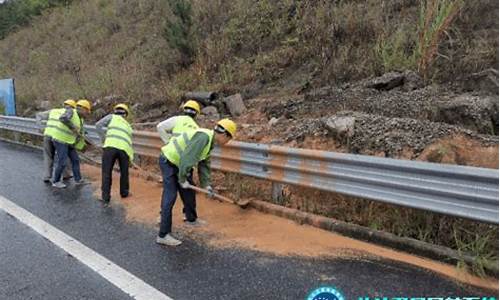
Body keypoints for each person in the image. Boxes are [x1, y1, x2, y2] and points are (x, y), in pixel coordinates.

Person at [156, 118, 237, 246]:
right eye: (229, 138)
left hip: (179, 164)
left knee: (188, 191)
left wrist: (207, 185)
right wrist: (182, 179)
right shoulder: (203, 138)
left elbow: (204, 165)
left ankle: (191, 219)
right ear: (224, 134)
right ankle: (163, 235)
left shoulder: (210, 142)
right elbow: (187, 159)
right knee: (170, 195)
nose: (228, 142)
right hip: (169, 161)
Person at [95, 103, 135, 205]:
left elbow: (98, 125)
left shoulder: (111, 117)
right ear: (126, 114)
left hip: (110, 147)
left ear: (115, 111)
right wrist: (130, 157)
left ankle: (105, 198)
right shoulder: (128, 125)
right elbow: (129, 142)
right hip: (124, 150)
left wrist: (104, 139)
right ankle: (124, 193)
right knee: (124, 172)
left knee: (106, 172)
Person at [51, 99, 92, 188]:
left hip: (70, 142)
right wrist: (72, 127)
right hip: (60, 140)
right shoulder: (71, 112)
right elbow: (63, 118)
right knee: (62, 161)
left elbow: (80, 133)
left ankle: (78, 180)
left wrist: (86, 142)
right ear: (83, 109)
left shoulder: (81, 119)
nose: (87, 114)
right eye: (87, 112)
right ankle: (56, 181)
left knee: (75, 160)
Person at [36, 99, 75, 182]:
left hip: (47, 135)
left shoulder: (53, 111)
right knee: (63, 155)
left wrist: (41, 128)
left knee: (48, 156)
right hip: (58, 136)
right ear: (73, 107)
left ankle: (47, 176)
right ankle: (66, 174)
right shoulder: (71, 113)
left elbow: (38, 115)